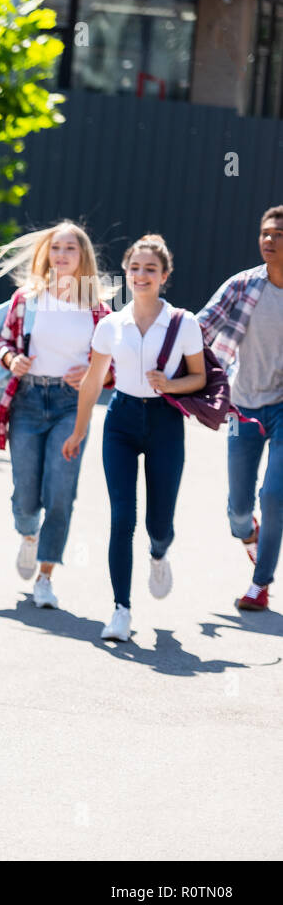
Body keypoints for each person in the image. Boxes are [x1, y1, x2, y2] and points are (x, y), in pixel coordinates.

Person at [63, 234, 206, 642]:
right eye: (135, 268)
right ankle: (121, 609)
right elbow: (92, 381)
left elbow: (199, 376)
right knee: (121, 518)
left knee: (158, 523)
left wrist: (171, 385)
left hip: (165, 423)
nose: (141, 276)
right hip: (121, 421)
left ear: (165, 275)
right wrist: (78, 431)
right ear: (126, 271)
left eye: (150, 269)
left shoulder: (184, 323)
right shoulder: (112, 324)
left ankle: (159, 553)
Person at [0, 222, 114, 609]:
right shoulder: (27, 299)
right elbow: (4, 341)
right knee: (26, 496)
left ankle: (45, 577)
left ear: (83, 257)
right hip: (27, 400)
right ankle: (28, 535)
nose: (61, 254)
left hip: (69, 406)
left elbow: (113, 367)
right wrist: (13, 358)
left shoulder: (98, 310)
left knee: (60, 492)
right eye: (55, 247)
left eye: (70, 249)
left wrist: (93, 373)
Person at [197, 205, 283, 612]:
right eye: (265, 233)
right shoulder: (244, 285)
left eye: (278, 235)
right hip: (242, 408)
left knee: (274, 495)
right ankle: (249, 536)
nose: (269, 240)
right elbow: (200, 326)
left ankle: (259, 585)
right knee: (238, 510)